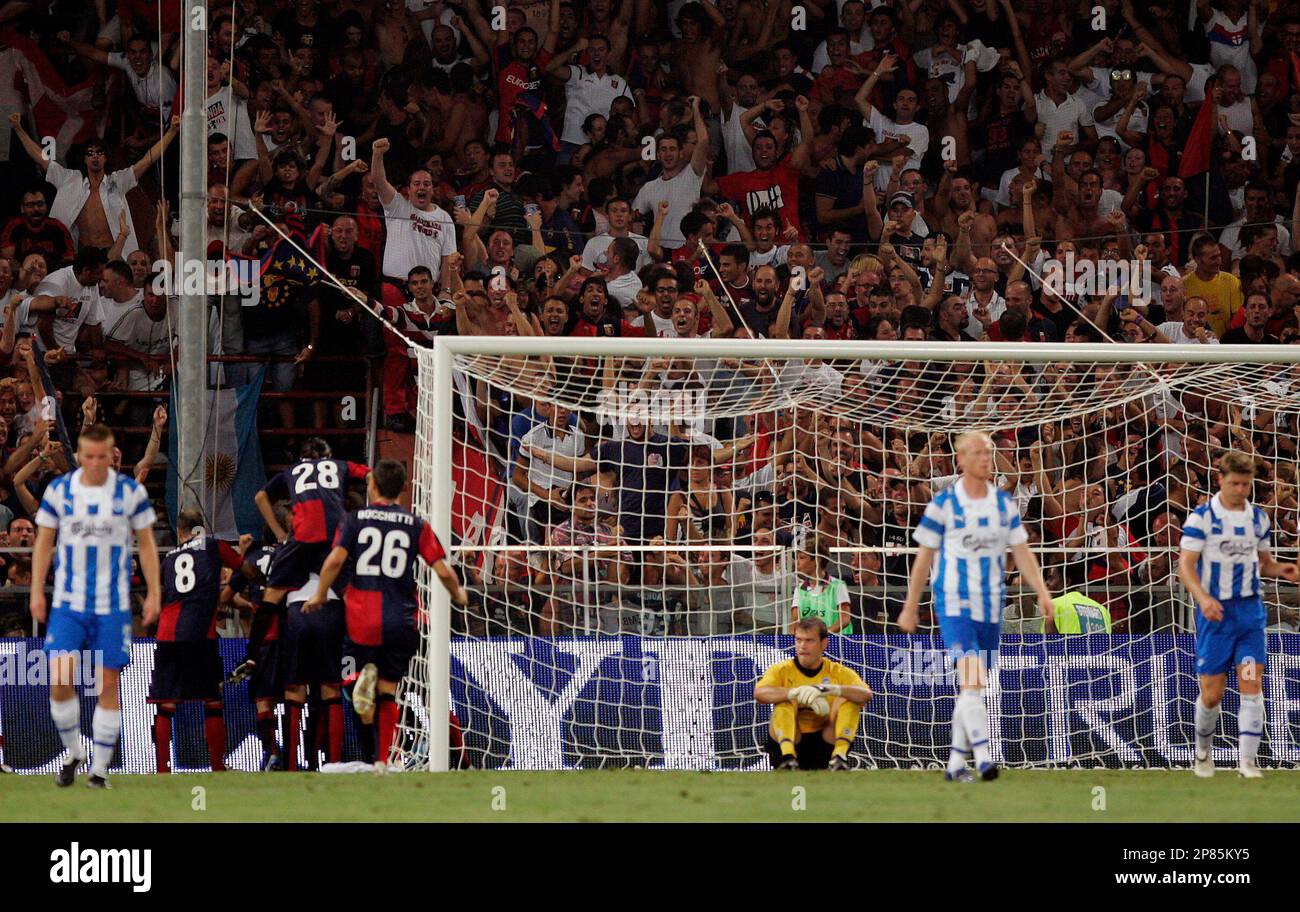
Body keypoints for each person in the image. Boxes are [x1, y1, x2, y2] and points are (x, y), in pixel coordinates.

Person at [900, 430, 1055, 782]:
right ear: (961, 459)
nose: (986, 458)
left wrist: (1042, 592)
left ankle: (955, 763)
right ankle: (984, 757)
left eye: (989, 452)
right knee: (971, 677)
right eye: (978, 453)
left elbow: (1022, 552)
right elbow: (923, 557)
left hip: (990, 602)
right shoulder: (943, 504)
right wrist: (911, 605)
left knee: (973, 685)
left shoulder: (1003, 504)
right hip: (954, 599)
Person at [308, 459, 469, 768]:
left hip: (361, 617)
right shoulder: (415, 524)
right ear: (404, 489)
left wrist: (319, 594)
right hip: (402, 617)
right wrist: (458, 594)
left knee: (361, 680)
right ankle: (385, 761)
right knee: (391, 691)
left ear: (372, 485)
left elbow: (333, 561)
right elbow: (442, 570)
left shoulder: (355, 520)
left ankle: (355, 680)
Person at [31, 423, 161, 788]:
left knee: (108, 683)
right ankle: (73, 751)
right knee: (59, 678)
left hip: (112, 604)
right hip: (69, 602)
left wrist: (154, 592)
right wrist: (37, 591)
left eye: (102, 457)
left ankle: (100, 770)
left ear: (111, 454)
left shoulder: (129, 492)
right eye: (88, 457)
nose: (95, 463)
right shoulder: (60, 490)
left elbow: (147, 544)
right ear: (79, 456)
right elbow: (44, 541)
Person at [1178, 451, 1299, 779]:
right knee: (1212, 694)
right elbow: (1185, 567)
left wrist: (1284, 569)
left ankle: (1247, 763)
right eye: (1235, 483)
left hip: (1249, 614)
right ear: (1220, 480)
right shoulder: (1201, 518)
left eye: (1246, 484)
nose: (1241, 490)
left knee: (1251, 683)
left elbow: (1264, 562)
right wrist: (1202, 599)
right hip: (1214, 614)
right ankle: (1203, 753)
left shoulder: (1258, 519)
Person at [229, 438, 369, 683]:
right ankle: (370, 658)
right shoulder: (340, 465)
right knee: (351, 597)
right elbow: (371, 475)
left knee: (271, 596)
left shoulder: (291, 471)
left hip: (303, 537)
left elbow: (260, 497)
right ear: (328, 455)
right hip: (336, 535)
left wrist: (281, 533)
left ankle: (250, 657)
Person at [149, 509, 261, 774]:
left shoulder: (169, 558)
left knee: (166, 702)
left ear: (179, 532)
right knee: (211, 700)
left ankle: (161, 770)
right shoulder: (214, 546)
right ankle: (217, 766)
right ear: (202, 529)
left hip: (167, 633)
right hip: (200, 632)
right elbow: (246, 571)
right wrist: (244, 552)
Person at [753, 617, 873, 770]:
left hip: (825, 740)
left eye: (809, 640)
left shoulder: (837, 671)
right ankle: (788, 757)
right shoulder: (782, 670)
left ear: (824, 643)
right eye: (798, 640)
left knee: (848, 699)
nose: (802, 646)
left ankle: (839, 757)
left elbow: (866, 694)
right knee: (784, 701)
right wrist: (794, 693)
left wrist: (830, 689)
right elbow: (759, 693)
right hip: (791, 740)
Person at [789, 536, 853, 634]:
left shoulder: (838, 586)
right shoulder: (800, 589)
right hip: (810, 645)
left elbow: (844, 619)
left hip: (838, 645)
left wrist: (823, 637)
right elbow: (795, 624)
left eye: (802, 558)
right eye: (797, 558)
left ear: (817, 560)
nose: (797, 563)